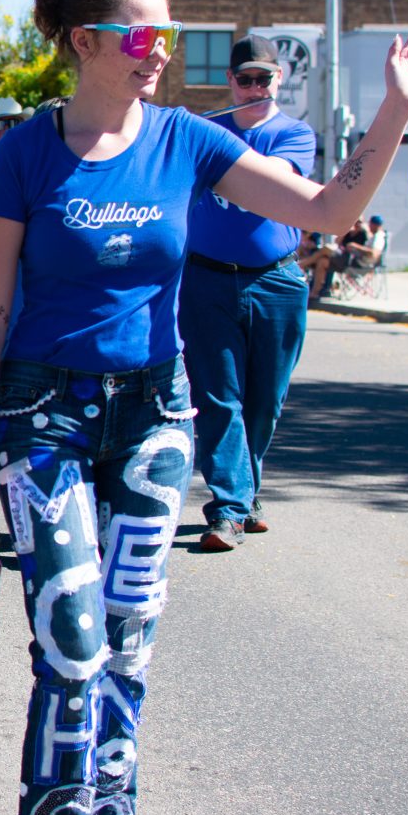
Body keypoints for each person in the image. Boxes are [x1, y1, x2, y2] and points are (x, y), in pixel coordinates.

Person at [0, 0, 408, 815]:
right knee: (71, 644)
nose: (162, 53)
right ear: (84, 42)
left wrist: (398, 106)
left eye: (167, 35)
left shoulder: (188, 140)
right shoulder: (26, 150)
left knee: (128, 649)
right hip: (43, 411)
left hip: (155, 417)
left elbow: (330, 211)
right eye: (143, 36)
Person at [178, 35, 317, 552]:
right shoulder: (203, 132)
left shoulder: (294, 134)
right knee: (218, 397)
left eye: (264, 79)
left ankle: (245, 491)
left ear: (278, 81)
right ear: (230, 81)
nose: (255, 87)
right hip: (207, 278)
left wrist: (217, 159)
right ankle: (229, 508)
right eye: (245, 79)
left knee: (265, 401)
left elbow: (277, 178)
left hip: (275, 279)